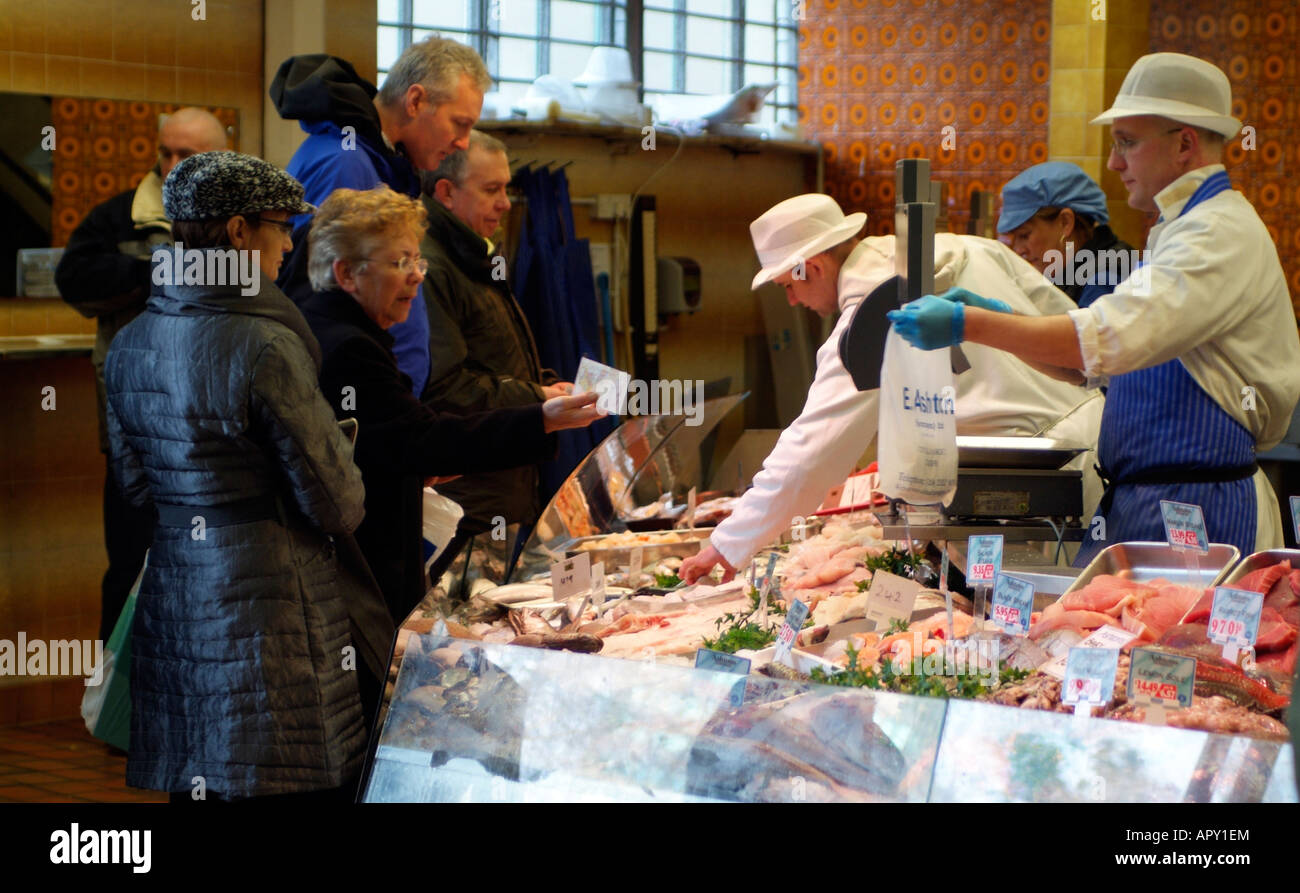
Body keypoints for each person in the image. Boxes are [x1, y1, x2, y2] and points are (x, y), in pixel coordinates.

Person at [888, 53, 1300, 567]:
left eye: (1127, 142)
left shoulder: (1217, 233)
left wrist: (968, 322)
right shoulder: (1178, 229)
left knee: (1181, 650)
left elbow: (1106, 337)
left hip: (1198, 510)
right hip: (1142, 502)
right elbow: (1085, 366)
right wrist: (994, 321)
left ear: (1184, 143)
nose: (1114, 163)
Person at [104, 152, 390, 802]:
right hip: (273, 617)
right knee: (281, 783)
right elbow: (337, 503)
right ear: (238, 232)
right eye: (280, 227)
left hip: (178, 599)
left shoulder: (131, 341)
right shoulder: (266, 343)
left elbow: (137, 488)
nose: (289, 244)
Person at [680, 194, 1103, 584]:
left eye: (788, 286)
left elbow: (811, 452)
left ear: (811, 268)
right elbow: (1077, 335)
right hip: (1098, 448)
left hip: (1020, 496)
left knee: (1042, 627)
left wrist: (727, 544)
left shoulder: (871, 317)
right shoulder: (975, 247)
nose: (792, 301)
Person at [300, 186, 603, 622]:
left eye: (417, 259)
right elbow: (423, 438)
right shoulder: (348, 347)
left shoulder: (342, 330)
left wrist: (414, 460)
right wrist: (540, 419)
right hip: (357, 577)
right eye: (400, 262)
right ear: (346, 273)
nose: (417, 275)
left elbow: (395, 442)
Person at [54, 107, 229, 643]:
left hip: (215, 424)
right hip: (136, 421)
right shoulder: (119, 217)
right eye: (166, 153)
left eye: (189, 156)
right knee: (131, 562)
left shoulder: (241, 220)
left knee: (210, 570)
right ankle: (116, 712)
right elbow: (75, 280)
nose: (174, 165)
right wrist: (158, 269)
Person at [271, 36, 489, 397]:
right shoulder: (346, 162)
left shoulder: (377, 161)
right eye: (460, 124)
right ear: (416, 101)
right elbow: (321, 308)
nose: (464, 142)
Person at [419, 130, 570, 583]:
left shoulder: (478, 256)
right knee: (453, 642)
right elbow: (444, 387)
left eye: (507, 188)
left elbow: (494, 361)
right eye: (491, 190)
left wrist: (546, 386)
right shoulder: (432, 266)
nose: (505, 203)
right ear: (445, 192)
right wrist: (538, 398)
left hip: (501, 492)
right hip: (465, 504)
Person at [998, 161, 1135, 307]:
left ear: (1065, 222)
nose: (1018, 250)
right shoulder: (1066, 273)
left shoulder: (1106, 280)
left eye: (1024, 235)